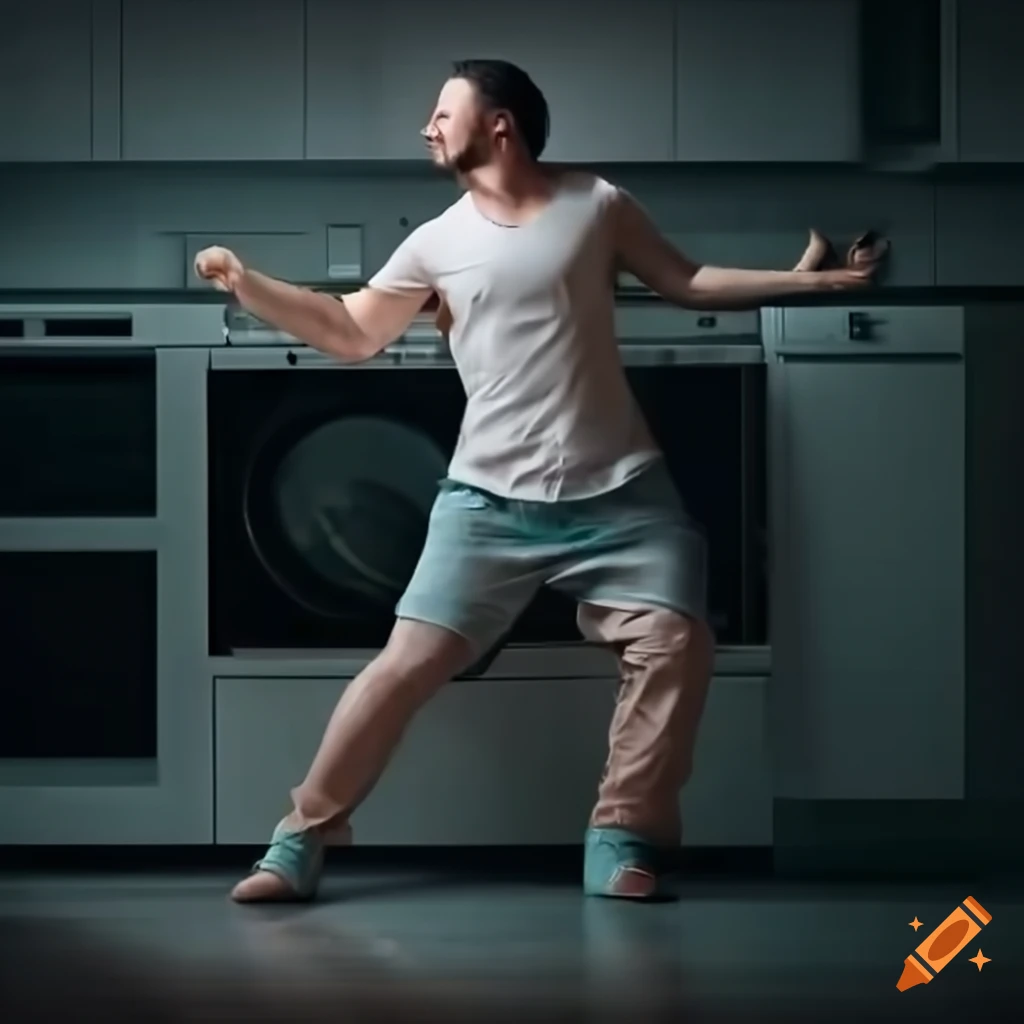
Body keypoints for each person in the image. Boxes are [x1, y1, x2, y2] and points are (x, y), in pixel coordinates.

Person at [195, 59, 885, 903]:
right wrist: (249, 285)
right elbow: (349, 331)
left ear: (500, 125)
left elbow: (687, 280)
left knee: (676, 641)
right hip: (486, 504)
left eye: (442, 112)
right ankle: (299, 839)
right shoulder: (437, 242)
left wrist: (817, 282)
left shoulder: (597, 204)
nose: (426, 127)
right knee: (402, 665)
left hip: (622, 497)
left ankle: (622, 833)